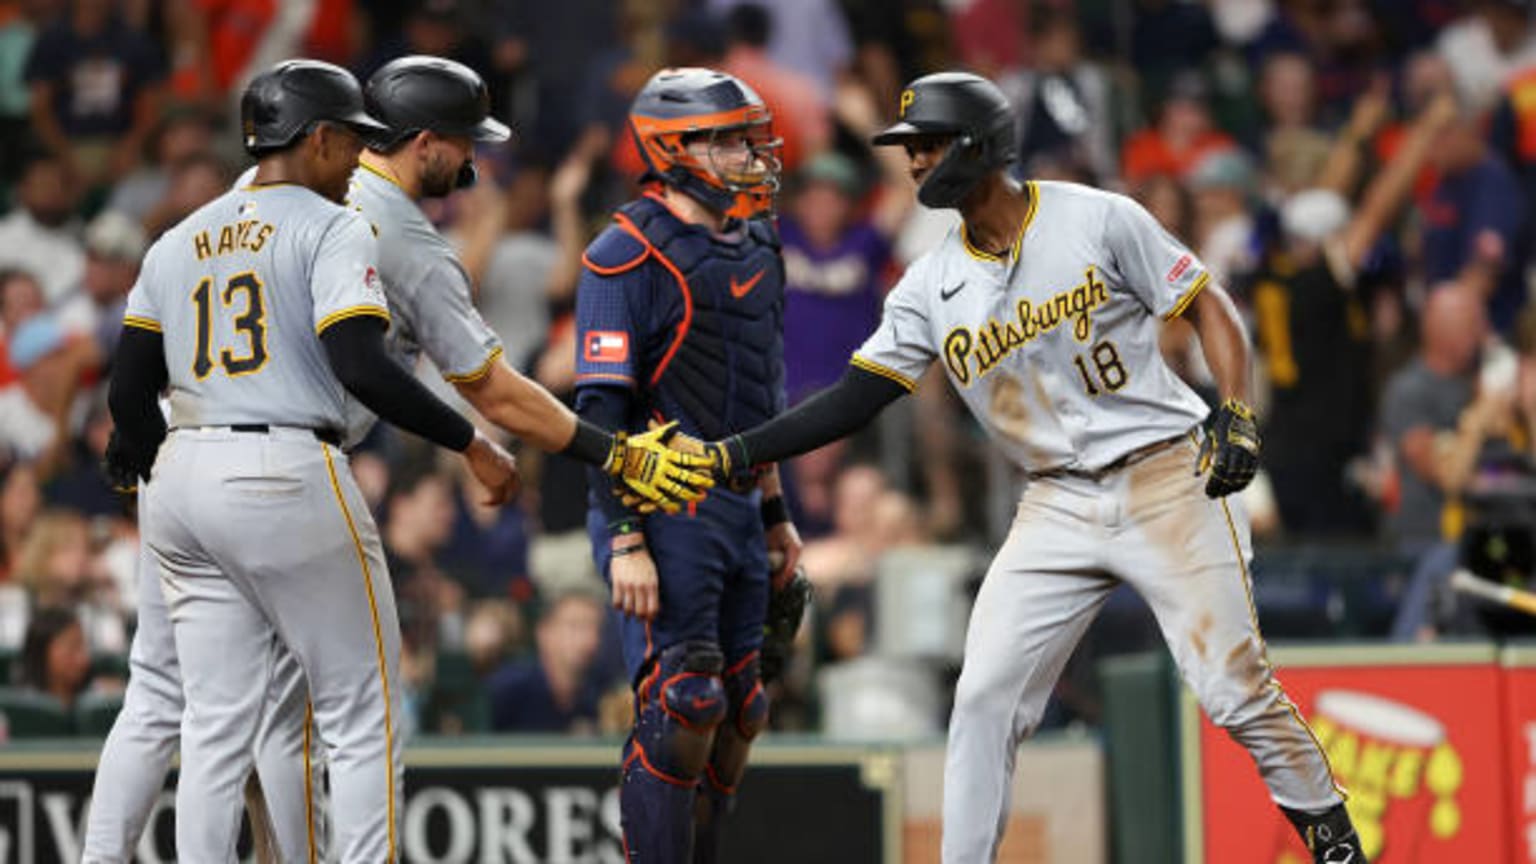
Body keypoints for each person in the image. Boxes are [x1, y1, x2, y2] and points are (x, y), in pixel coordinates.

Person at [688, 71, 1367, 864]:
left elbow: (1207, 306)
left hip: (1165, 474)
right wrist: (735, 453)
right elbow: (853, 397)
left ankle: (1337, 845)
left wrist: (1239, 411)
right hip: (1055, 503)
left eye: (927, 145)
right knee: (981, 698)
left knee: (1232, 690)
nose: (913, 164)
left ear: (978, 145)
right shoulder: (929, 288)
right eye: (909, 150)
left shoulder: (1095, 217)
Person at [86, 56, 713, 863]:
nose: (474, 162)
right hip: (284, 459)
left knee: (189, 704)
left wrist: (134, 447)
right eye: (462, 143)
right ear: (417, 143)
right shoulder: (363, 226)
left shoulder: (206, 217)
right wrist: (599, 453)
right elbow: (478, 387)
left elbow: (134, 375)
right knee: (354, 706)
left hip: (179, 456)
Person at [574, 67, 802, 863]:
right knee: (687, 699)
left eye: (751, 138)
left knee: (745, 709)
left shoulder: (763, 244)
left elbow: (762, 395)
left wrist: (777, 514)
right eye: (734, 140)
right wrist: (625, 537)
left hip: (741, 502)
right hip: (662, 510)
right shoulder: (623, 252)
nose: (752, 156)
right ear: (678, 148)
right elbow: (598, 415)